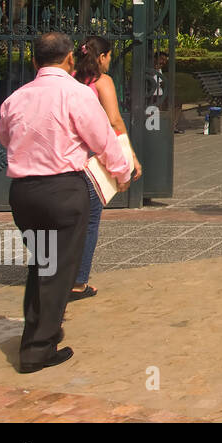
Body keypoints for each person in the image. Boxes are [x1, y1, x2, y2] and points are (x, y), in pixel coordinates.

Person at [0, 32, 134, 372]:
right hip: (63, 190)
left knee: (42, 263)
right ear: (70, 58)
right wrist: (123, 171)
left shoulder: (16, 98)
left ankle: (39, 332)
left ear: (34, 61)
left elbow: (4, 135)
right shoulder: (76, 95)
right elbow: (103, 139)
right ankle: (38, 349)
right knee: (58, 271)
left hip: (25, 193)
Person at [70, 35, 144, 301]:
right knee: (89, 221)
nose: (110, 61)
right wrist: (130, 157)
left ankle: (55, 273)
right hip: (92, 162)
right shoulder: (101, 82)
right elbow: (114, 122)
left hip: (66, 161)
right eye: (110, 56)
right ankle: (78, 281)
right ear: (101, 57)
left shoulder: (70, 79)